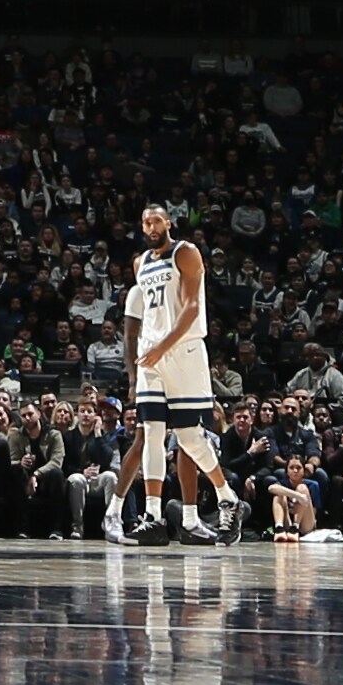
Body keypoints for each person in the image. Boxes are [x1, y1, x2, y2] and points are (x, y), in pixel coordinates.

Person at [121, 202, 225, 543]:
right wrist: (145, 356)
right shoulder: (140, 263)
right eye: (145, 222)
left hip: (184, 350)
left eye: (156, 221)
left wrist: (163, 346)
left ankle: (226, 497)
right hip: (151, 356)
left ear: (168, 222)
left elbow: (192, 308)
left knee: (189, 437)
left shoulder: (186, 252)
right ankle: (153, 516)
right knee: (151, 432)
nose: (151, 227)